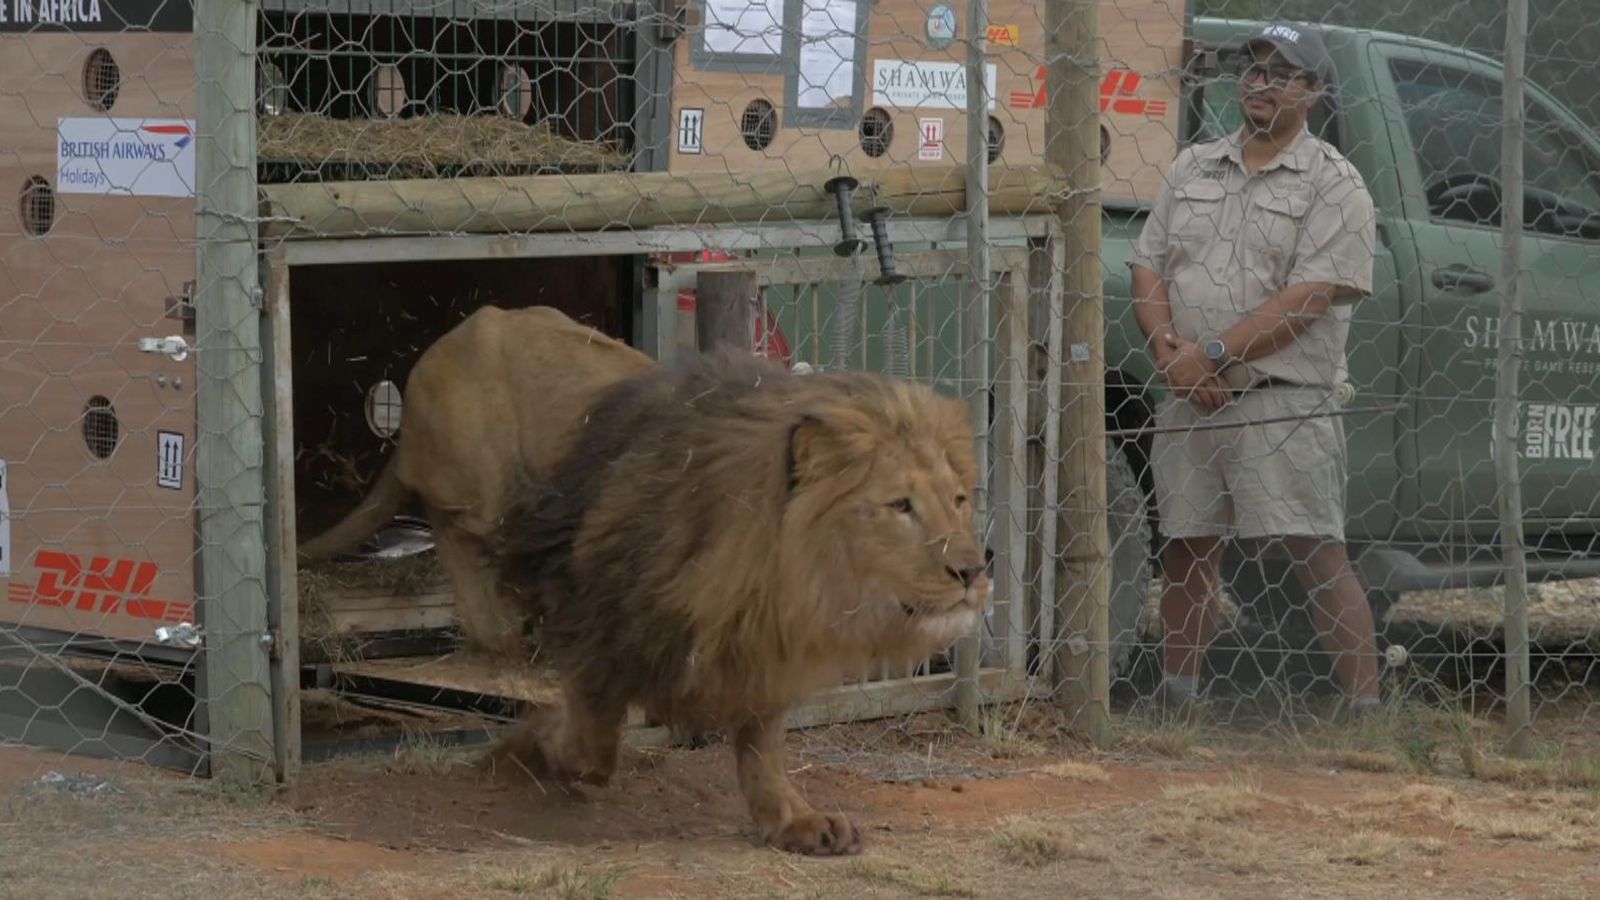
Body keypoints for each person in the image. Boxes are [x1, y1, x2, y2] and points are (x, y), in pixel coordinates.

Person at [1126, 22, 1381, 713]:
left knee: (1314, 551)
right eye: (1252, 70)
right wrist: (1169, 354)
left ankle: (1366, 712)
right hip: (1190, 393)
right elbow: (1147, 264)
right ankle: (1179, 698)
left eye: (1280, 74)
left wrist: (1210, 355)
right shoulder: (1192, 166)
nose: (1259, 83)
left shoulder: (1336, 185)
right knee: (1187, 547)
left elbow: (1309, 298)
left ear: (1314, 91)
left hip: (1280, 398)